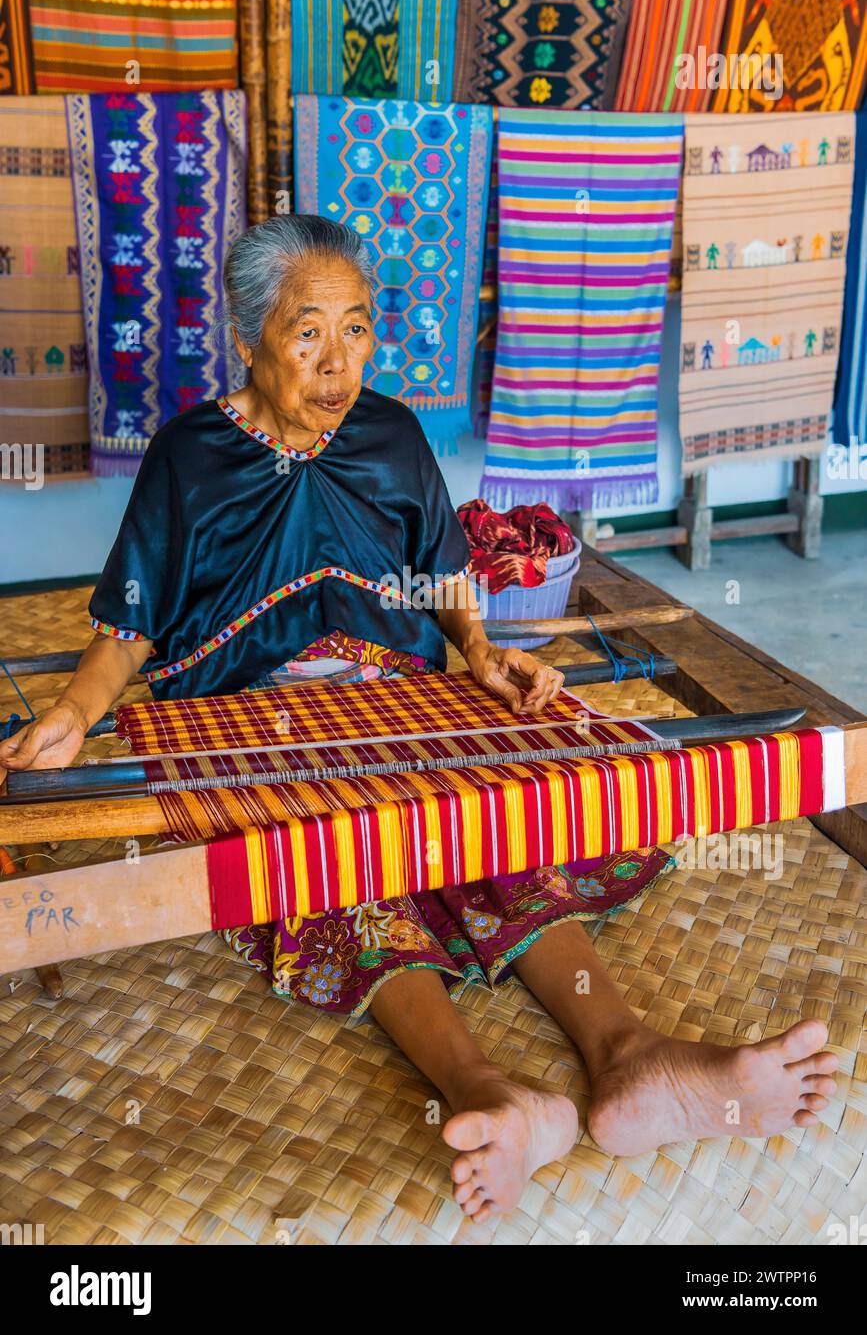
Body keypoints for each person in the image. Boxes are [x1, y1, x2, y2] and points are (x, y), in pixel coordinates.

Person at [0, 215, 837, 1226]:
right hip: (250, 721)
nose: (337, 362)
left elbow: (443, 571)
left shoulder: (391, 435)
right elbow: (127, 625)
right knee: (335, 853)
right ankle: (488, 1089)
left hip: (393, 695)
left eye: (356, 329)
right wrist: (78, 712)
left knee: (486, 815)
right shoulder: (189, 456)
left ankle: (632, 1056)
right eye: (309, 331)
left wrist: (481, 653)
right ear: (249, 334)